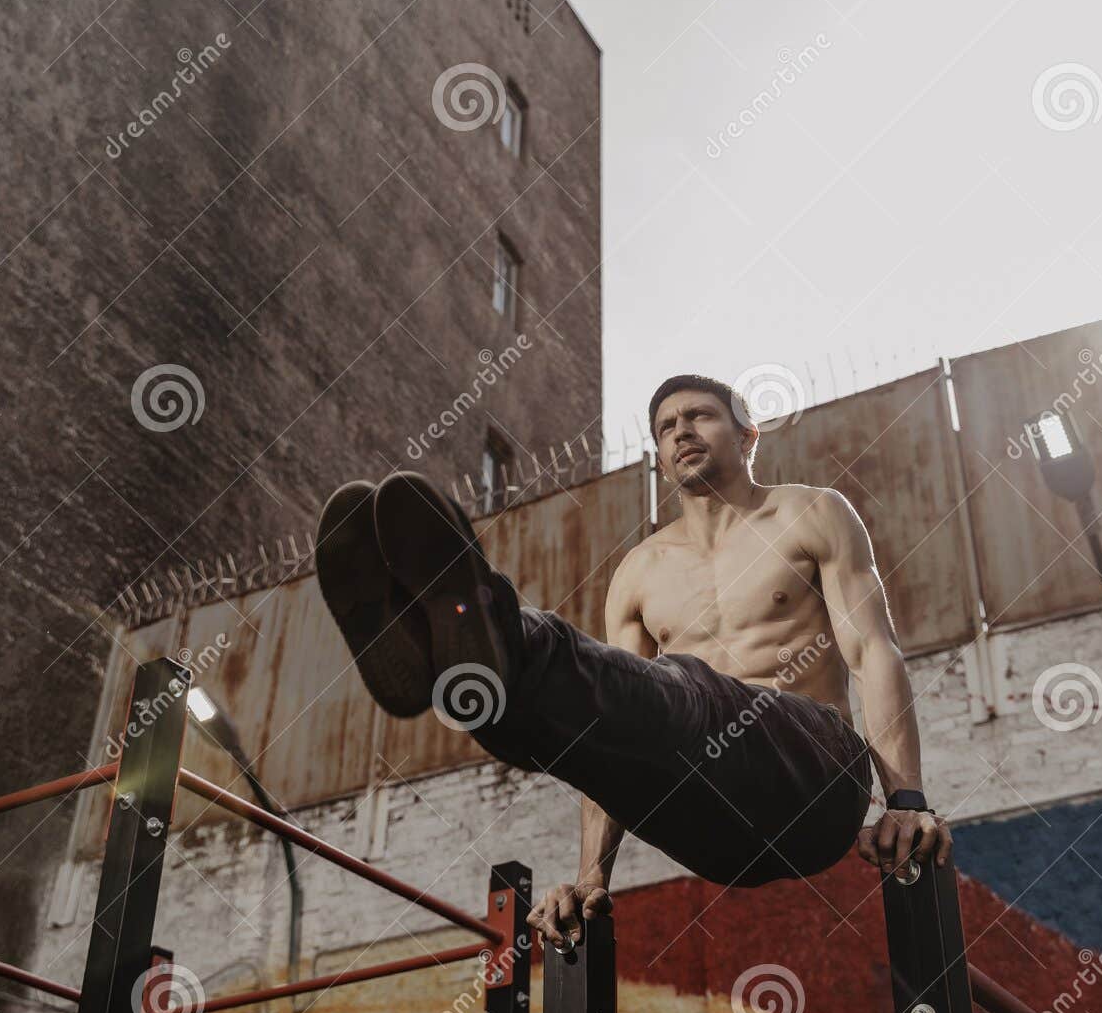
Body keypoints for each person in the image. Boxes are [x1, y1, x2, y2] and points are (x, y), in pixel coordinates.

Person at [314, 374, 950, 950]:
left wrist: (906, 798)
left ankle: (495, 627)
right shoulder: (640, 571)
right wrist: (590, 876)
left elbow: (871, 649)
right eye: (667, 428)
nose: (682, 433)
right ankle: (466, 677)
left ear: (747, 433)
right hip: (714, 831)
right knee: (596, 720)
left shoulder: (808, 513)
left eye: (700, 416)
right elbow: (614, 713)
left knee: (686, 688)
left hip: (816, 785)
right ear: (659, 454)